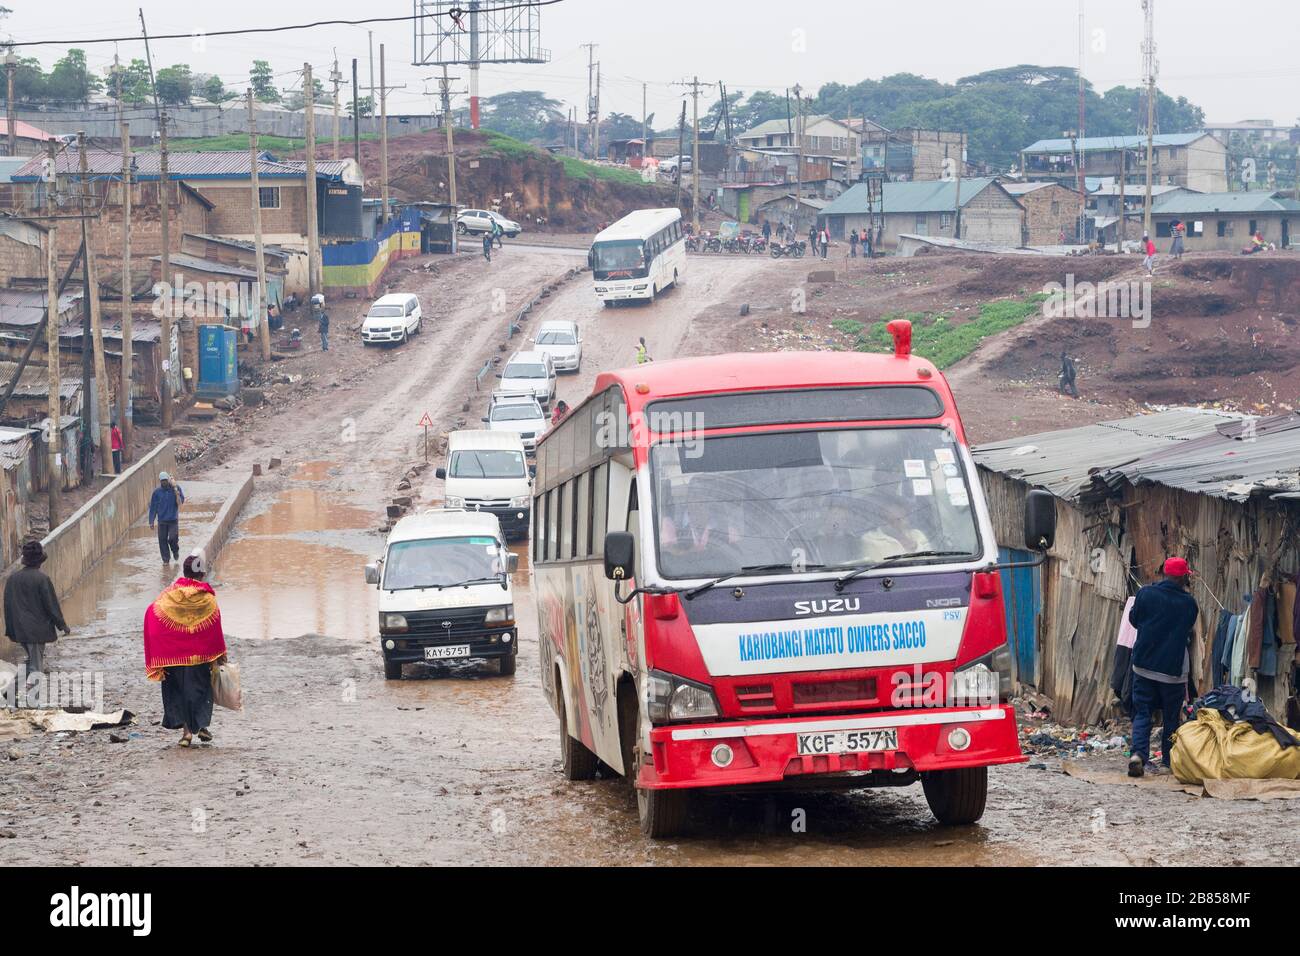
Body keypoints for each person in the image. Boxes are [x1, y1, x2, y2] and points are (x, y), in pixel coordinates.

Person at [144, 554, 227, 748]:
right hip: (199, 657)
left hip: (174, 657)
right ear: (202, 574)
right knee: (200, 691)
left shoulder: (169, 596)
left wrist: (161, 649)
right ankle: (201, 726)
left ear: (185, 571)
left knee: (179, 692)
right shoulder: (207, 599)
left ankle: (187, 733)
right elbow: (214, 627)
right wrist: (219, 654)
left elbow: (153, 613)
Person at [1127, 557, 1200, 777]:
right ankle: (1168, 761)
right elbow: (1187, 628)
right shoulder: (1189, 604)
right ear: (1183, 577)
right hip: (1172, 671)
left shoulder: (1145, 594)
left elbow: (1134, 620)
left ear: (1164, 574)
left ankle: (1138, 755)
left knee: (1142, 712)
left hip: (1144, 665)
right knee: (1171, 717)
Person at [3, 540, 69, 681]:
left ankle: (9, 692)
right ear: (39, 562)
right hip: (36, 631)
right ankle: (35, 701)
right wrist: (62, 625)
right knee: (36, 669)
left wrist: (11, 629)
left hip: (19, 630)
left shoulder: (12, 580)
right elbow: (51, 605)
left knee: (31, 663)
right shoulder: (42, 579)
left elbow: (7, 607)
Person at [148, 471, 186, 566]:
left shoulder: (176, 489)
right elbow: (153, 507)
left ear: (168, 480)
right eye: (162, 481)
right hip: (162, 521)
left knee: (172, 538)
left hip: (173, 520)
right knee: (162, 540)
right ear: (160, 481)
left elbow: (181, 502)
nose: (164, 482)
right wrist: (151, 521)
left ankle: (175, 551)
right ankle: (166, 560)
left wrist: (176, 490)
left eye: (165, 480)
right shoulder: (157, 493)